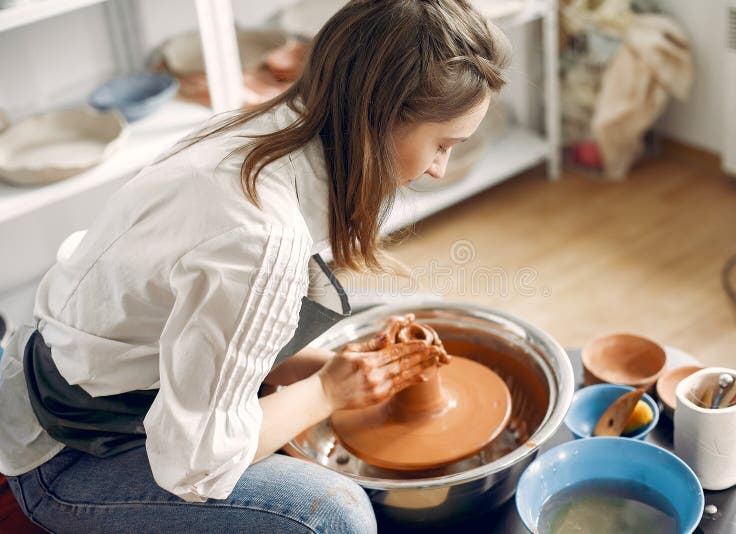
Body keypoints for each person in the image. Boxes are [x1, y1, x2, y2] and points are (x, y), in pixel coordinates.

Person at [0, 0, 510, 531]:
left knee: (332, 355)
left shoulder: (260, 131)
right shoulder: (259, 236)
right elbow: (194, 465)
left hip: (89, 372)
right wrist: (330, 390)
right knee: (338, 515)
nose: (437, 169)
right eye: (443, 144)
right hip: (70, 448)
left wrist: (319, 366)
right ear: (377, 118)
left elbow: (195, 323)